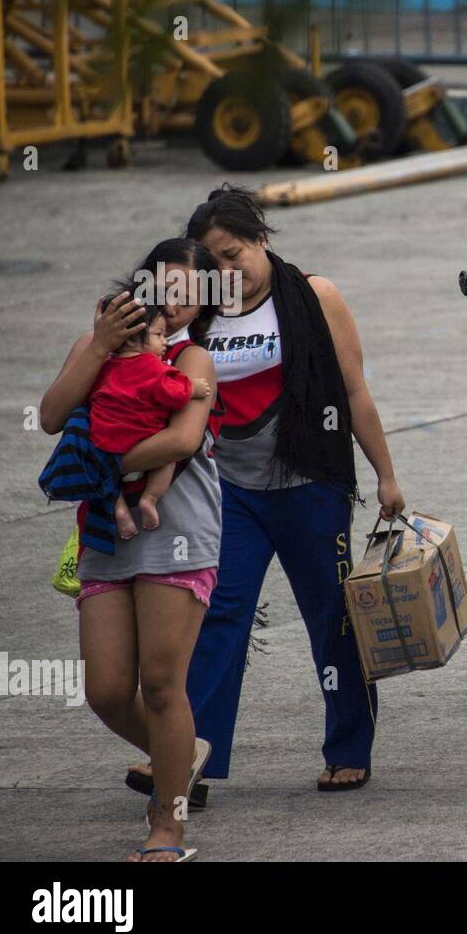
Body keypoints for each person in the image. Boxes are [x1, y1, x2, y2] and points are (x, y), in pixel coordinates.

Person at [174, 184, 406, 795]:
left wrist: (385, 475)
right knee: (218, 617)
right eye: (211, 261)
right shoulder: (195, 311)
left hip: (311, 485)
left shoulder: (313, 295)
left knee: (331, 617)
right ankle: (189, 760)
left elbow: (354, 391)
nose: (226, 270)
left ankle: (349, 744)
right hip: (228, 492)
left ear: (261, 240)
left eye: (234, 253)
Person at [39, 239, 222, 861]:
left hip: (177, 530)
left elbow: (182, 439)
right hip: (105, 536)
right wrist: (95, 346)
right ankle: (182, 753)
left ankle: (167, 827)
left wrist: (100, 460)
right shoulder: (98, 349)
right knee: (108, 690)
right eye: (162, 288)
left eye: (186, 294)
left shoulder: (194, 359)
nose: (171, 305)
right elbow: (51, 414)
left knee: (164, 684)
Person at [87, 307, 213, 539]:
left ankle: (120, 510)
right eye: (158, 335)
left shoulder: (106, 366)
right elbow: (170, 390)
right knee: (167, 460)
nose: (165, 342)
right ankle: (150, 499)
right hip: (141, 436)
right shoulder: (152, 365)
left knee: (110, 485)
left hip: (104, 441)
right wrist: (194, 388)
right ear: (135, 339)